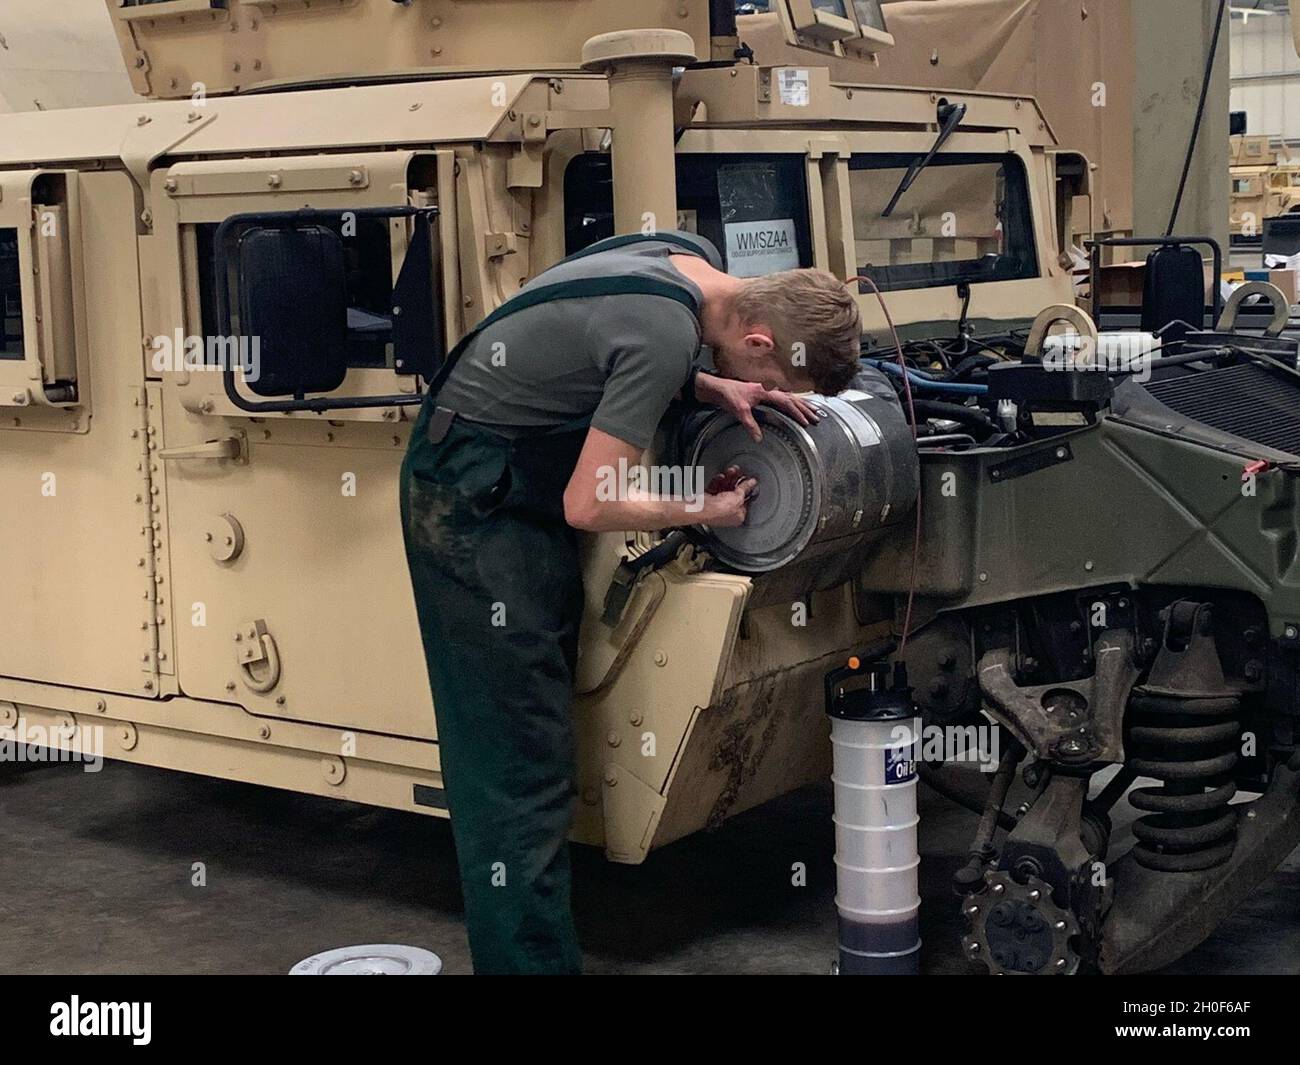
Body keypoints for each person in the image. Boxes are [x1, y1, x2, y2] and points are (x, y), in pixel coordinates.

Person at [400, 229, 861, 973]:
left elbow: (588, 333)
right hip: (471, 497)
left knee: (543, 729)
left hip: (518, 466)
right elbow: (590, 501)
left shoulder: (685, 257)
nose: (769, 396)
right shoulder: (662, 333)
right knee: (514, 766)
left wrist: (712, 385)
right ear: (756, 335)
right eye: (769, 376)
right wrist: (700, 511)